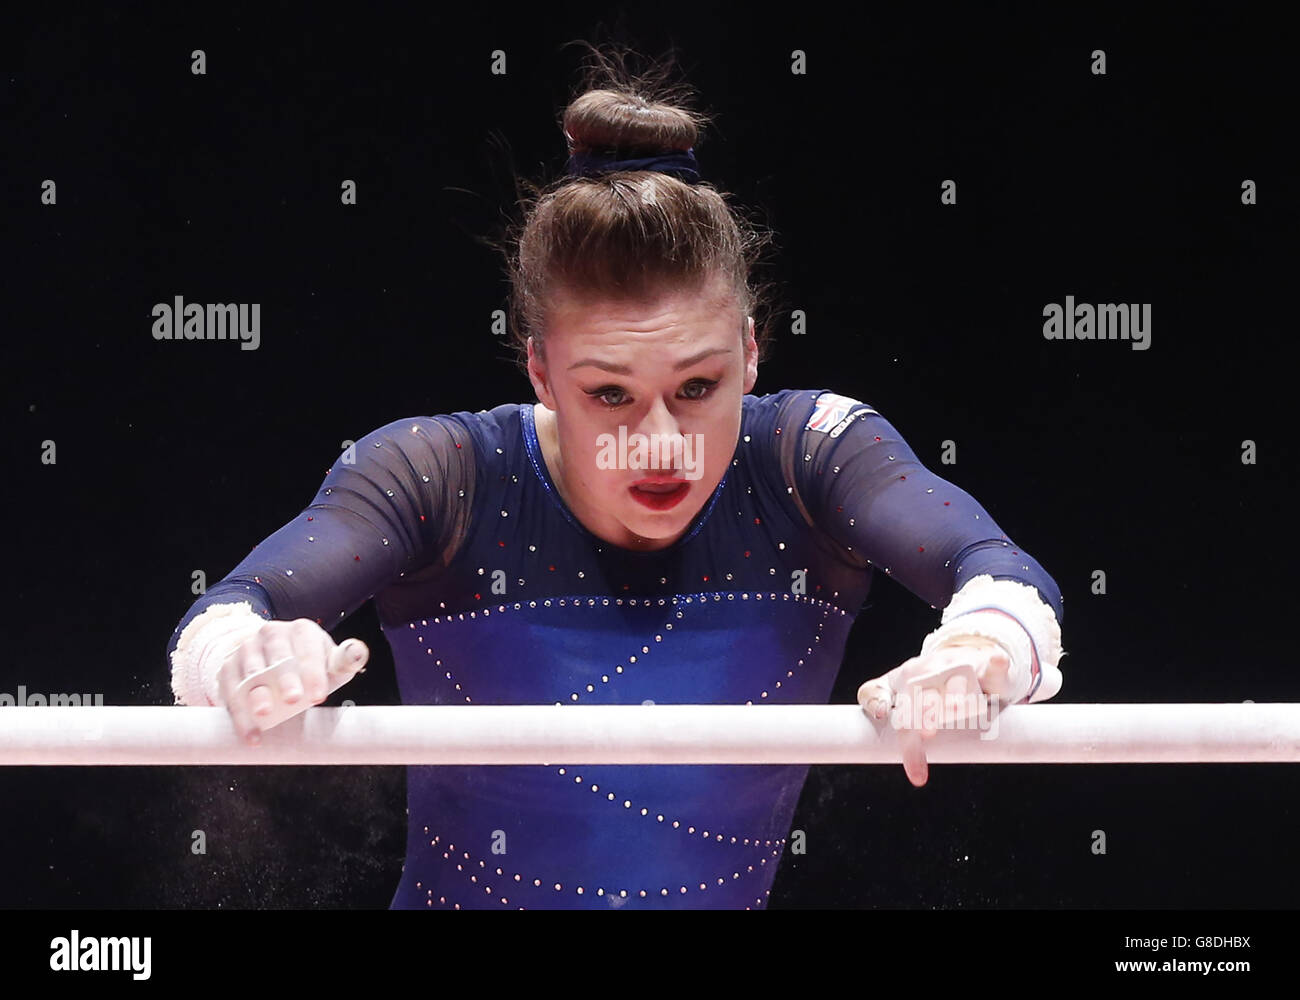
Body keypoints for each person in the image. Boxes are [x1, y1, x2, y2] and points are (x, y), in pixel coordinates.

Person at [165, 44, 1065, 909]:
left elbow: (997, 570)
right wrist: (249, 655)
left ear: (752, 356)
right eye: (609, 395)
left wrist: (977, 651)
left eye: (699, 387)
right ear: (540, 375)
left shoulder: (806, 457)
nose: (660, 441)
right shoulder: (441, 473)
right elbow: (232, 610)